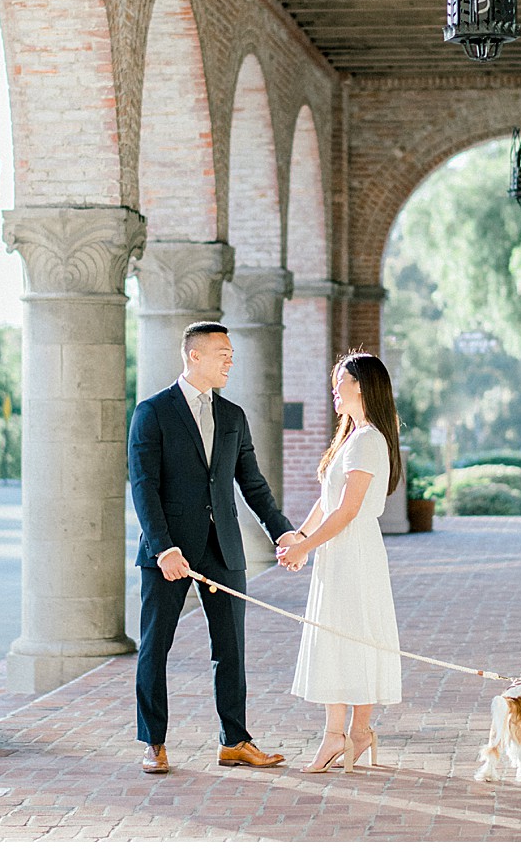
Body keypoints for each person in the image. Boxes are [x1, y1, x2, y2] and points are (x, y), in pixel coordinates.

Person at [128, 321, 303, 774]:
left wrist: (282, 531)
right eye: (222, 352)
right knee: (155, 647)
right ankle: (154, 742)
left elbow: (253, 484)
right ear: (194, 356)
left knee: (231, 648)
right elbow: (144, 488)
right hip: (169, 553)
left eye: (231, 353)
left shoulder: (233, 417)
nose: (230, 359)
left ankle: (235, 740)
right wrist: (164, 548)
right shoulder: (153, 412)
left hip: (224, 548)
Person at [278, 351, 405, 773]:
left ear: (362, 387)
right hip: (338, 550)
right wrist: (299, 536)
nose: (335, 389)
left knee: (356, 633)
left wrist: (306, 546)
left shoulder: (369, 440)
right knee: (334, 635)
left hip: (354, 550)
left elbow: (348, 511)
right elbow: (326, 501)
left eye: (341, 382)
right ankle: (335, 733)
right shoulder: (352, 437)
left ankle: (359, 730)